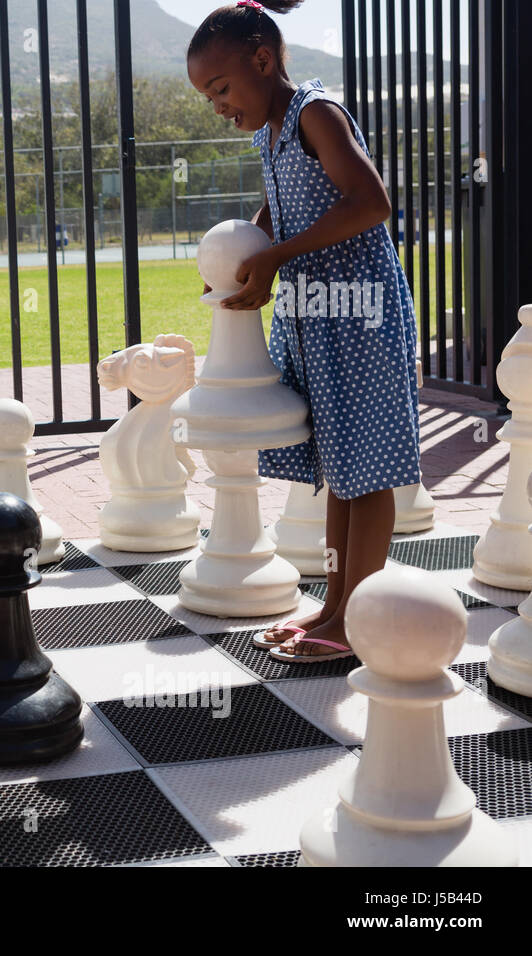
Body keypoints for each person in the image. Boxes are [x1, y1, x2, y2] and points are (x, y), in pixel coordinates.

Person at [187, 1, 422, 661]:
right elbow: (278, 205)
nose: (219, 107)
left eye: (222, 88)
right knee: (341, 473)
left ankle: (356, 620)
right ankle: (337, 606)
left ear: (263, 61)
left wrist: (276, 257)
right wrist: (244, 259)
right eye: (209, 97)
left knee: (367, 476)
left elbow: (371, 201)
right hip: (320, 319)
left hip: (361, 318)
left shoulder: (316, 112)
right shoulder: (273, 130)